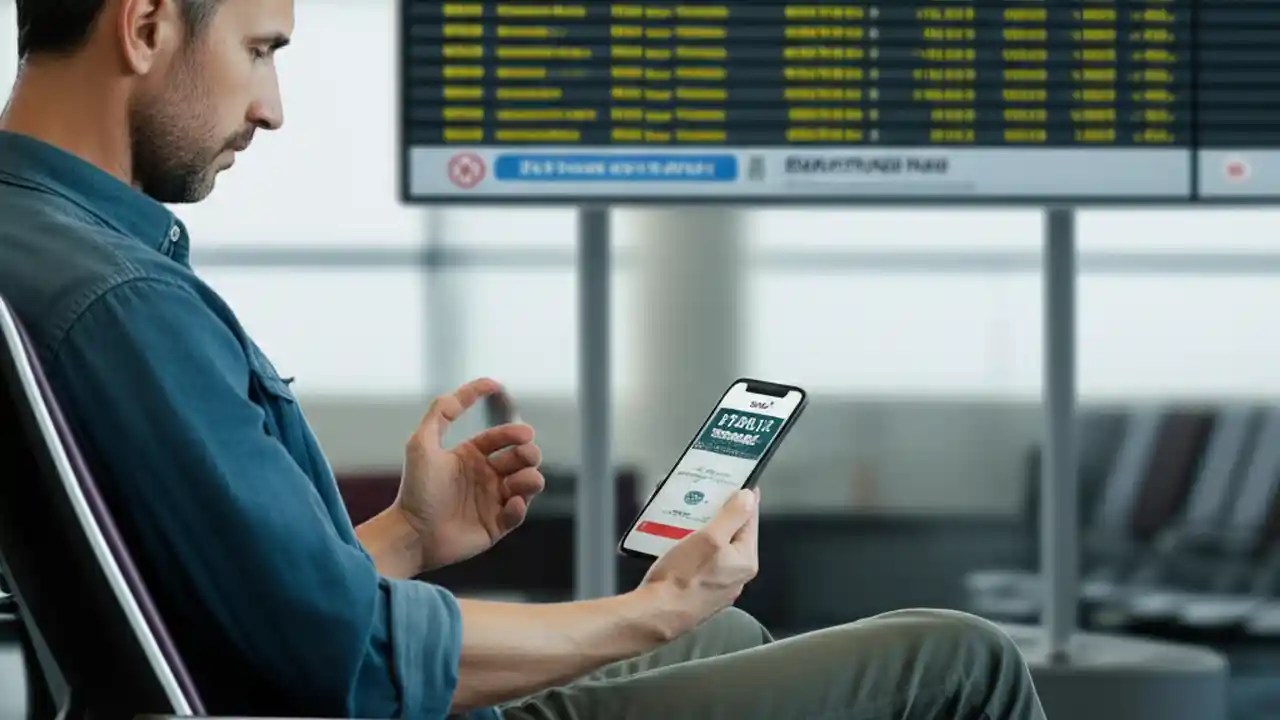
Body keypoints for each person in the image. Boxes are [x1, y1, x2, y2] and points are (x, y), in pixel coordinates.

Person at [0, 1, 1047, 718]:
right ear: (143, 26)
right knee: (959, 659)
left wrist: (408, 534)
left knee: (721, 641)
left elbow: (209, 603)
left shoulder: (37, 247)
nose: (272, 106)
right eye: (262, 49)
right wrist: (651, 606)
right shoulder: (121, 303)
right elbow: (338, 658)